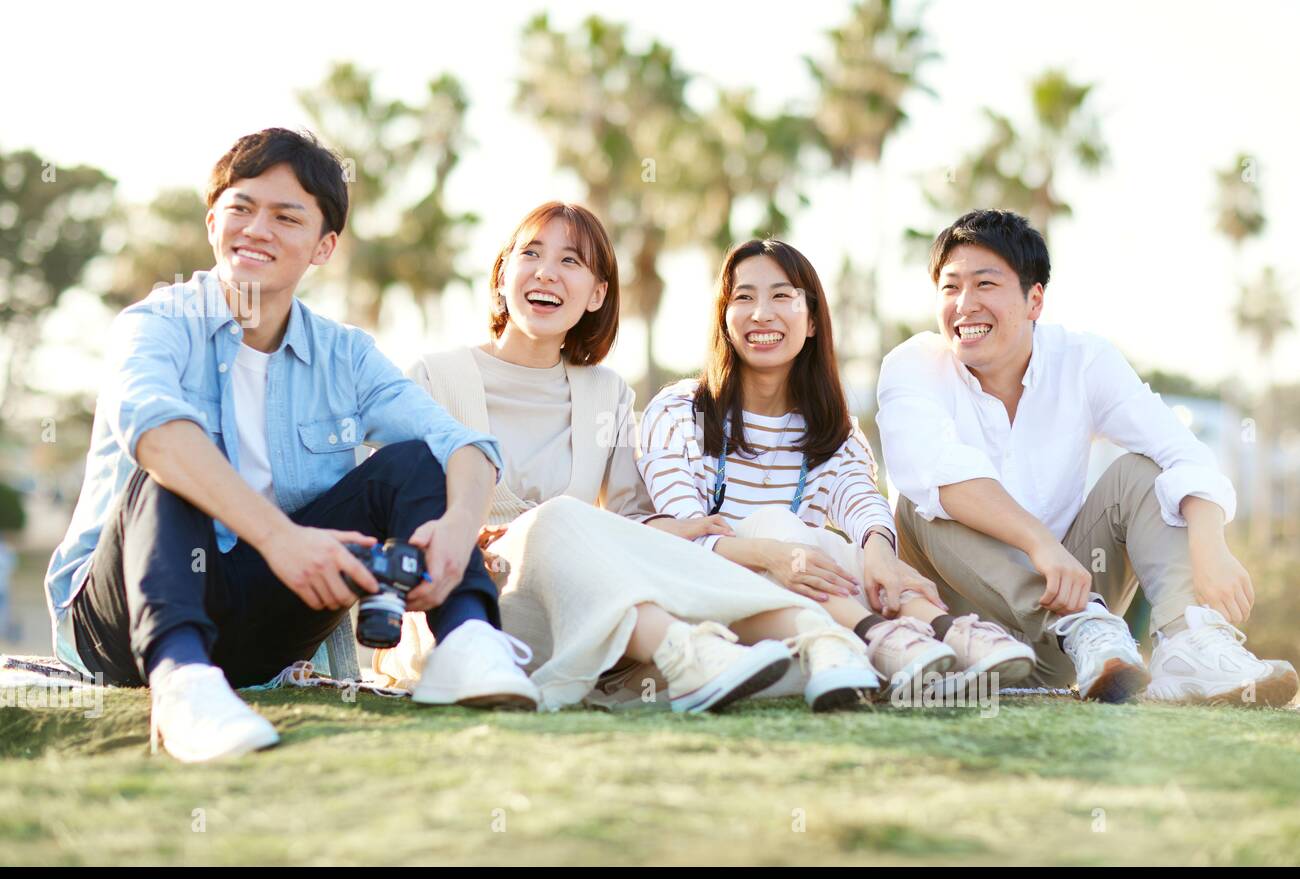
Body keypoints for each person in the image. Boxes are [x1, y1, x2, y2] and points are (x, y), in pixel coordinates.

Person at [44, 128, 516, 762]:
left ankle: (465, 640)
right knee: (172, 466)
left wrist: (460, 529)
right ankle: (181, 688)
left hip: (261, 623)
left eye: (286, 216)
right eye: (241, 208)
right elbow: (155, 434)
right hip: (125, 619)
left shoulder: (344, 354)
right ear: (213, 221)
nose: (257, 229)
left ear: (324, 247)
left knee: (418, 462)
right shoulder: (157, 324)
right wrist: (280, 538)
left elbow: (464, 445)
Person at [373, 202, 880, 712]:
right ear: (503, 274)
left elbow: (628, 523)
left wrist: (698, 532)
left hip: (576, 610)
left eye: (571, 261)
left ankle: (820, 639)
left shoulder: (605, 392)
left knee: (658, 541)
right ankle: (692, 655)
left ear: (597, 295)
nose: (547, 272)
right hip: (469, 614)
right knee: (557, 517)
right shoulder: (435, 376)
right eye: (531, 253)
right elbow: (394, 502)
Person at [876, 208, 1297, 705]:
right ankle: (1083, 625)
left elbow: (1180, 451)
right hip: (965, 640)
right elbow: (934, 470)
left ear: (1035, 300)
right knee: (924, 503)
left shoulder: (1083, 360)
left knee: (1140, 473)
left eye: (985, 284)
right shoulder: (912, 366)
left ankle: (1189, 645)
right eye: (950, 288)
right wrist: (1040, 544)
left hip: (1073, 644)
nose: (965, 305)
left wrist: (1211, 542)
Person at [639, 238, 1035, 695]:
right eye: (743, 297)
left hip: (808, 613)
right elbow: (686, 535)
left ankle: (948, 633)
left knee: (860, 555)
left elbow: (862, 499)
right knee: (779, 527)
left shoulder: (832, 428)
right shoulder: (680, 411)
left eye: (781, 296)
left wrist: (879, 552)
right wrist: (773, 553)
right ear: (725, 320)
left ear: (810, 322)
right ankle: (879, 635)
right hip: (710, 615)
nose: (761, 313)